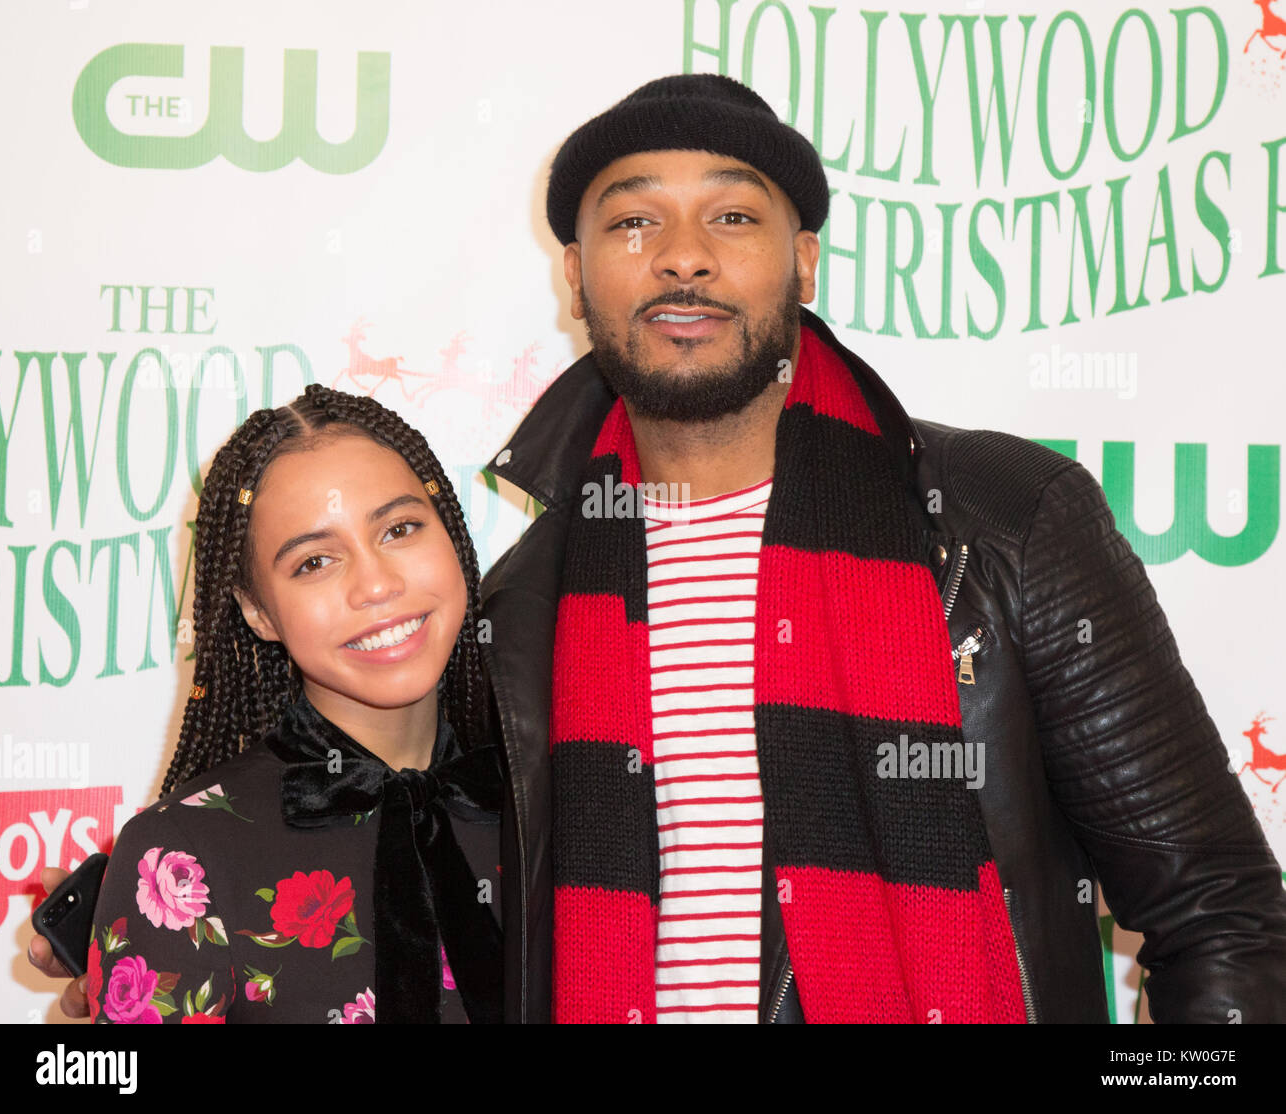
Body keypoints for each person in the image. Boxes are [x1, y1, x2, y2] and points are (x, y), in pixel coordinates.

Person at [475, 73, 1286, 1022]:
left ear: (804, 260)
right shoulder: (525, 604)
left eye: (732, 217)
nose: (683, 259)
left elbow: (1222, 923)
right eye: (633, 224)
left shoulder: (1005, 522)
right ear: (575, 274)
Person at [38, 385, 503, 1023]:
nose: (376, 584)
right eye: (314, 562)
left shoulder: (547, 803)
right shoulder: (177, 859)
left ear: (450, 533)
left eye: (400, 529)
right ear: (257, 611)